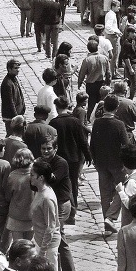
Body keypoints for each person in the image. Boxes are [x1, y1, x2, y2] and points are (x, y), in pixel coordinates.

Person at [90, 94, 131, 235]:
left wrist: (95, 160)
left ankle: (107, 226)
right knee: (123, 190)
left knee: (105, 194)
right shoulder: (119, 125)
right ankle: (112, 217)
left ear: (104, 107)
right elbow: (126, 145)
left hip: (102, 164)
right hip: (117, 164)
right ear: (117, 108)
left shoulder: (97, 123)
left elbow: (92, 144)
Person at [39, 136, 78, 271]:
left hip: (61, 205)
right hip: (49, 204)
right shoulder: (41, 162)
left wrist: (39, 175)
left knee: (58, 237)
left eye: (49, 148)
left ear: (55, 149)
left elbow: (51, 180)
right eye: (43, 149)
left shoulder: (61, 163)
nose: (46, 151)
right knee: (55, 237)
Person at [50, 95, 92, 225]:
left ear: (56, 108)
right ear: (67, 106)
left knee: (61, 185)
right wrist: (88, 155)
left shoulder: (54, 123)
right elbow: (83, 141)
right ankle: (73, 211)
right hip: (74, 158)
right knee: (73, 184)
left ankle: (65, 211)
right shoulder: (75, 121)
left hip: (60, 160)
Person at [28, 157, 65, 271]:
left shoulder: (47, 197)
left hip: (48, 243)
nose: (30, 177)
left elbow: (51, 226)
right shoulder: (39, 191)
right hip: (40, 239)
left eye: (32, 175)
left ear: (41, 177)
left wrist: (42, 250)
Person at [78, 38, 111, 120]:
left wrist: (79, 83)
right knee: (103, 103)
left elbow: (82, 74)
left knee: (91, 104)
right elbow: (109, 73)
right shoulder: (104, 58)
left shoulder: (87, 60)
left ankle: (90, 119)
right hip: (102, 84)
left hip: (91, 85)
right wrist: (108, 83)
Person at [0, 59, 26, 135]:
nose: (18, 70)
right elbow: (10, 102)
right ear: (9, 69)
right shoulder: (7, 83)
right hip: (11, 117)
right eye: (15, 68)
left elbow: (20, 95)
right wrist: (16, 117)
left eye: (18, 68)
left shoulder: (14, 79)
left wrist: (23, 107)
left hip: (17, 115)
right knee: (12, 136)